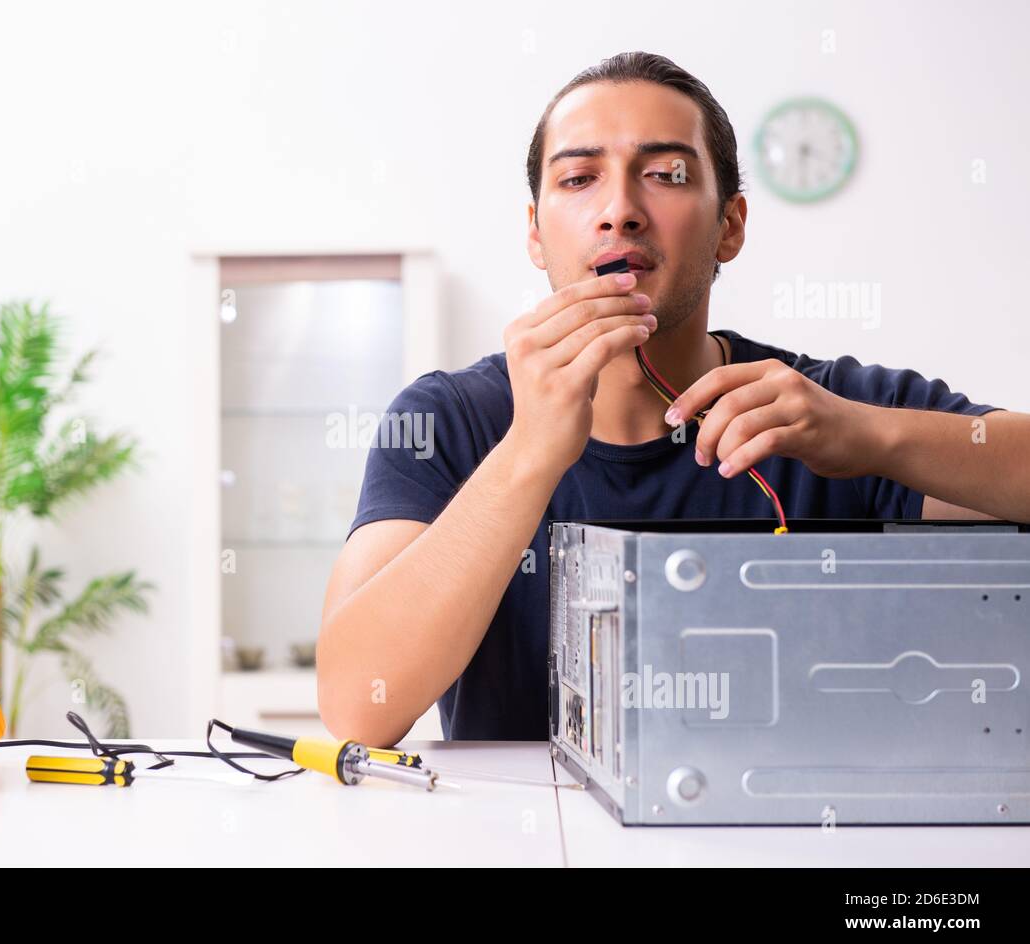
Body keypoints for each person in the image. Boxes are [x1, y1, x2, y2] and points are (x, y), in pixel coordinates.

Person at [317, 51, 1029, 746]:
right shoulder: (447, 421)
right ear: (535, 231)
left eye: (666, 174)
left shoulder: (826, 409)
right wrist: (529, 452)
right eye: (578, 179)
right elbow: (356, 706)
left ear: (731, 225)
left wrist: (871, 438)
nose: (620, 210)